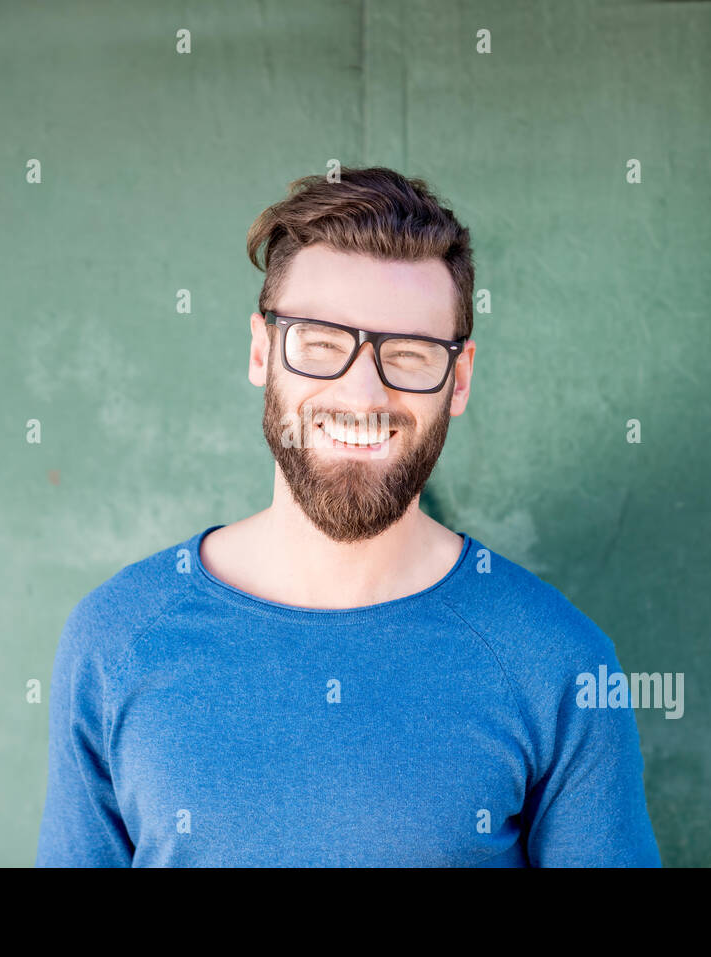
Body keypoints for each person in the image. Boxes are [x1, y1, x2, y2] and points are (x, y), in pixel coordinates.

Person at [35, 166, 662, 866]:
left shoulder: (560, 663)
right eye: (321, 343)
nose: (363, 394)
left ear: (458, 378)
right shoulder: (115, 638)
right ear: (260, 349)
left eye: (409, 354)